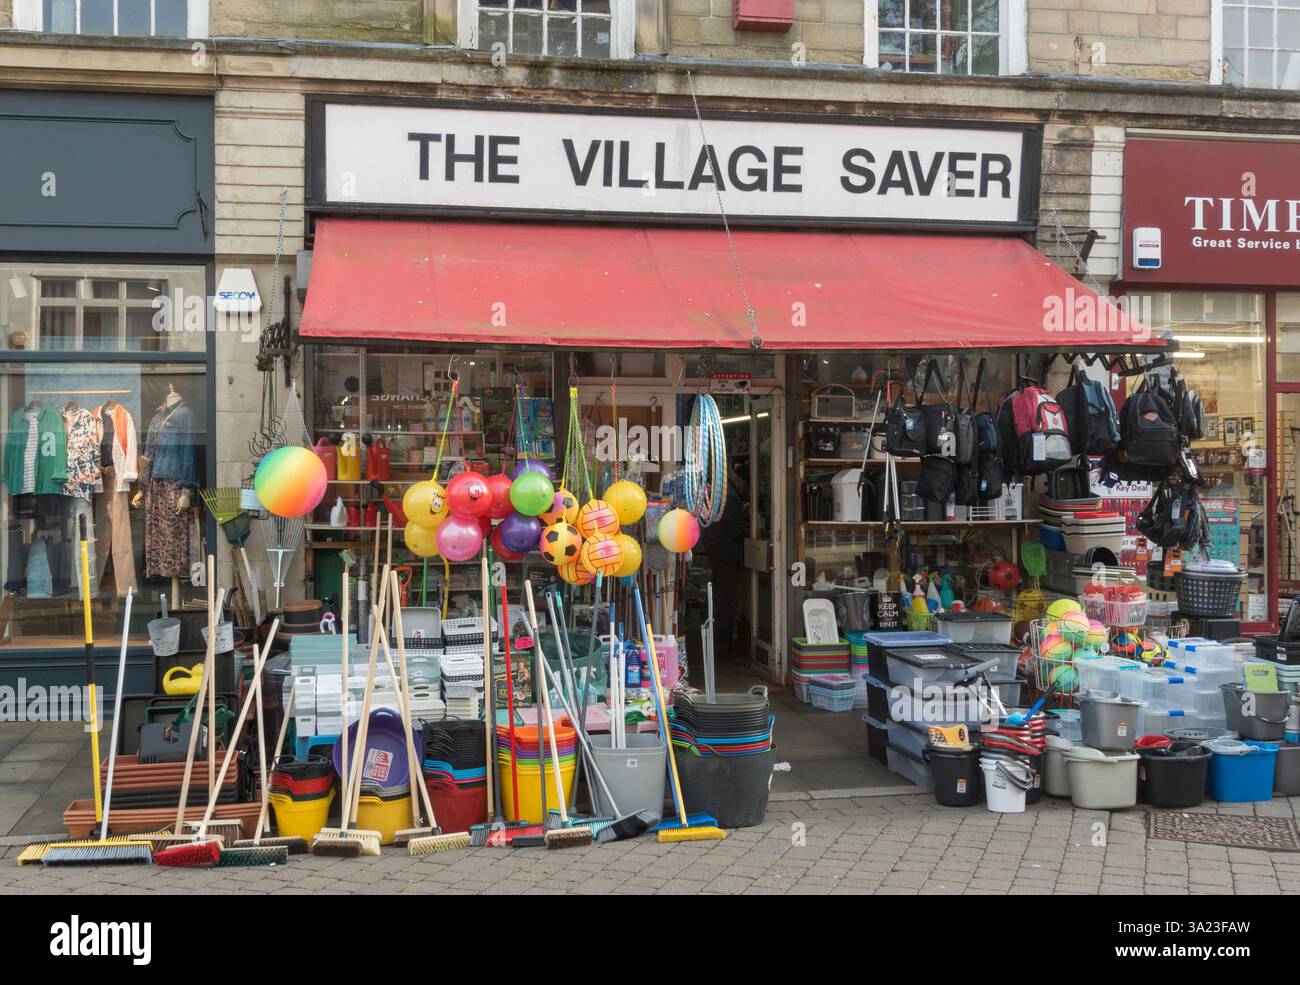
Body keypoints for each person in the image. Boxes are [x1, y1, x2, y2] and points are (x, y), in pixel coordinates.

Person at [699, 462, 749, 662]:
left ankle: (721, 642)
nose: (747, 490)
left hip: (717, 550)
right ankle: (721, 645)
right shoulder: (732, 497)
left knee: (722, 598)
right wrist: (751, 533)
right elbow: (735, 529)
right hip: (726, 554)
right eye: (747, 484)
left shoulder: (723, 492)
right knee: (727, 600)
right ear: (741, 481)